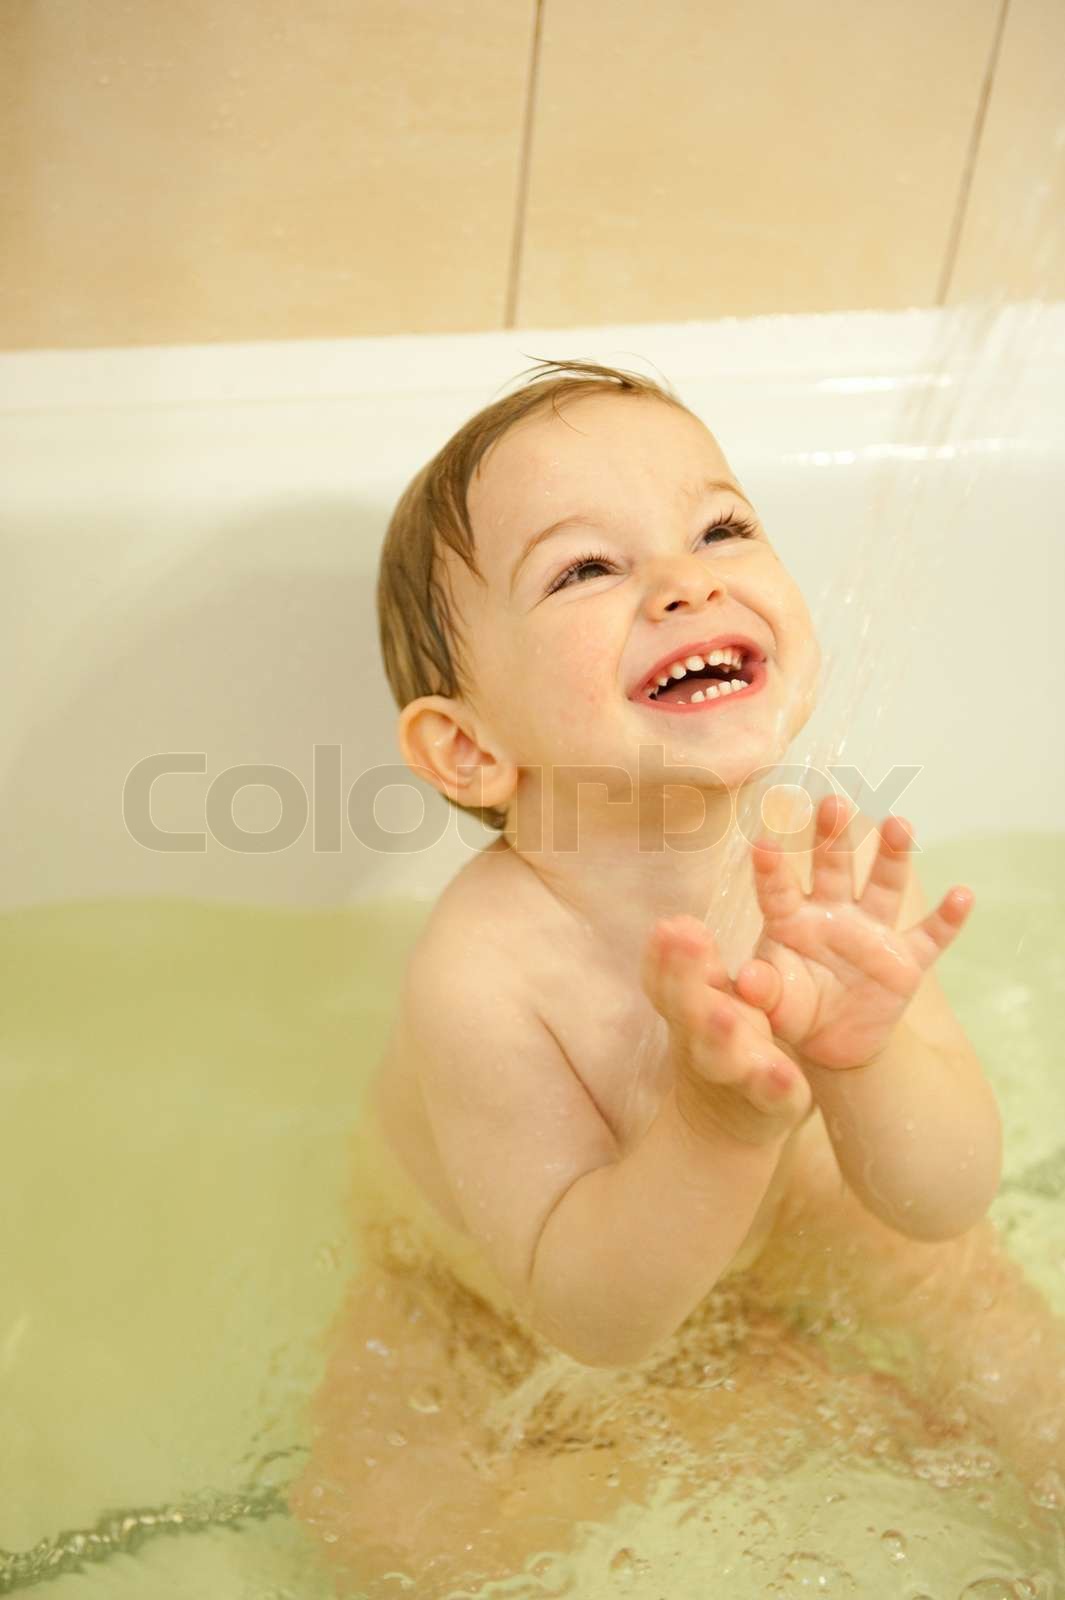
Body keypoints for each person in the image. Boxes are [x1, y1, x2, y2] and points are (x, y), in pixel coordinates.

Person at [289, 360, 1064, 1597]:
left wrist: (868, 1056)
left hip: (803, 1220)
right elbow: (587, 1315)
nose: (689, 578)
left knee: (1005, 1344)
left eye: (723, 528)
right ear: (469, 746)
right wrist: (713, 1121)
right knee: (383, 1532)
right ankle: (761, 1406)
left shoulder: (832, 862)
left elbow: (937, 1199)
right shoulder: (485, 964)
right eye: (587, 567)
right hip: (478, 1301)